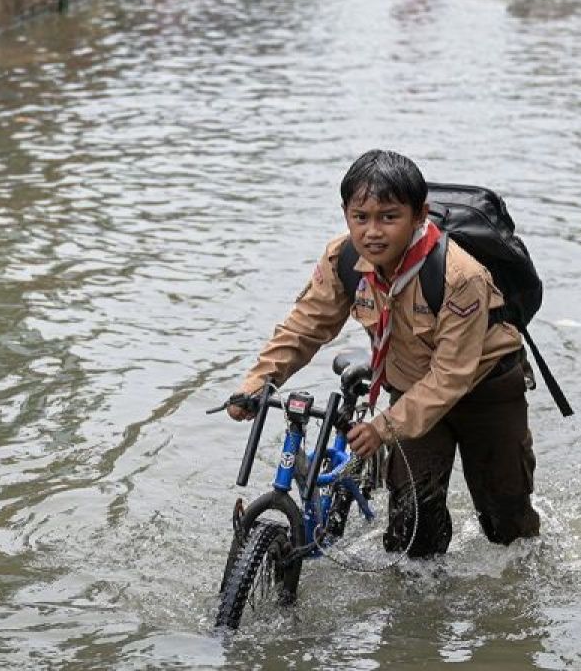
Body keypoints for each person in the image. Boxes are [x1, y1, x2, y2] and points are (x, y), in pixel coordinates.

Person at [228, 150, 540, 558]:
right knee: (412, 530)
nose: (372, 232)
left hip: (486, 390)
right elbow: (306, 324)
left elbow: (452, 375)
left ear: (418, 215)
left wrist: (383, 427)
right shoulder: (343, 259)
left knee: (506, 526)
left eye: (388, 217)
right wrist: (257, 382)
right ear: (346, 215)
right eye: (361, 217)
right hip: (412, 390)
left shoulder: (460, 275)